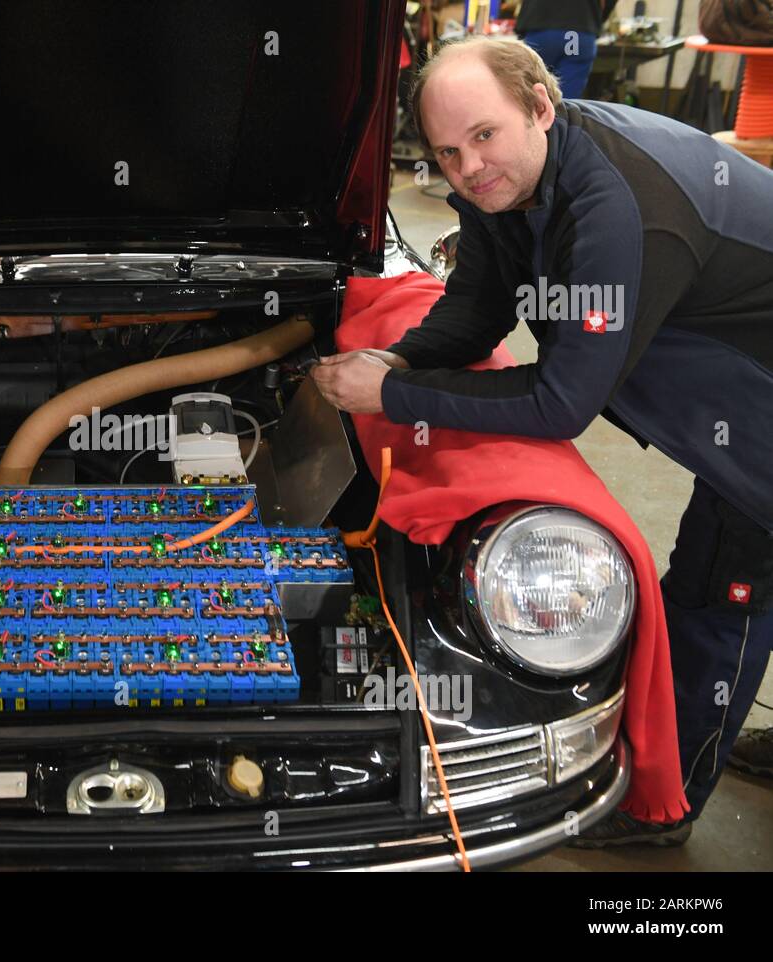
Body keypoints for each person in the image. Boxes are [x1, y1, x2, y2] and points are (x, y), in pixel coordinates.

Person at [311, 36, 773, 846]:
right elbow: (479, 307)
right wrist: (401, 357)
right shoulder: (511, 186)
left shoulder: (619, 210)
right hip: (736, 389)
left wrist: (391, 392)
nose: (467, 167)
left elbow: (561, 401)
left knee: (719, 587)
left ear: (540, 107)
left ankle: (662, 809)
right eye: (448, 153)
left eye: (483, 137)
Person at [515, 0, 617, 99]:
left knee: (533, 90)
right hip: (577, 33)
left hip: (540, 29)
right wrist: (597, 17)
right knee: (567, 100)